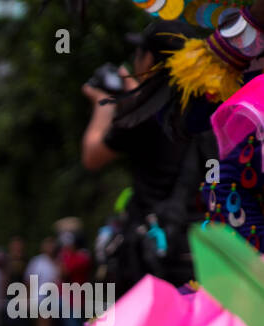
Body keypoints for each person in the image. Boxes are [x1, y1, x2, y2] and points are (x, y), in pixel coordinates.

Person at [80, 21, 214, 292]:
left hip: (153, 251)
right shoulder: (211, 107)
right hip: (205, 249)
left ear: (149, 58)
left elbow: (92, 157)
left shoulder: (140, 117)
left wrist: (102, 108)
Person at [24, 237, 59, 326]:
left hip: (55, 296)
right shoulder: (37, 261)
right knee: (43, 322)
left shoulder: (56, 261)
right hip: (40, 296)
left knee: (52, 323)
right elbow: (28, 280)